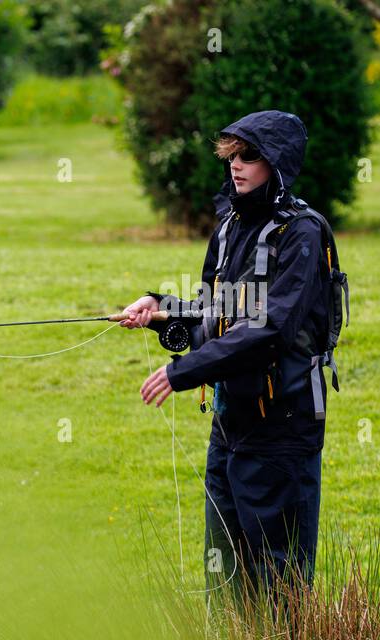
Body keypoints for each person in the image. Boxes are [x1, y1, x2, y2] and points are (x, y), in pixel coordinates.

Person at [119, 110, 342, 601]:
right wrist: (160, 307)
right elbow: (215, 310)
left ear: (277, 163)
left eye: (250, 157)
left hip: (283, 429)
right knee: (224, 579)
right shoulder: (229, 225)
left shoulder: (302, 233)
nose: (236, 166)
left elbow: (269, 329)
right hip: (229, 427)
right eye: (232, 156)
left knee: (278, 585)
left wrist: (184, 371)